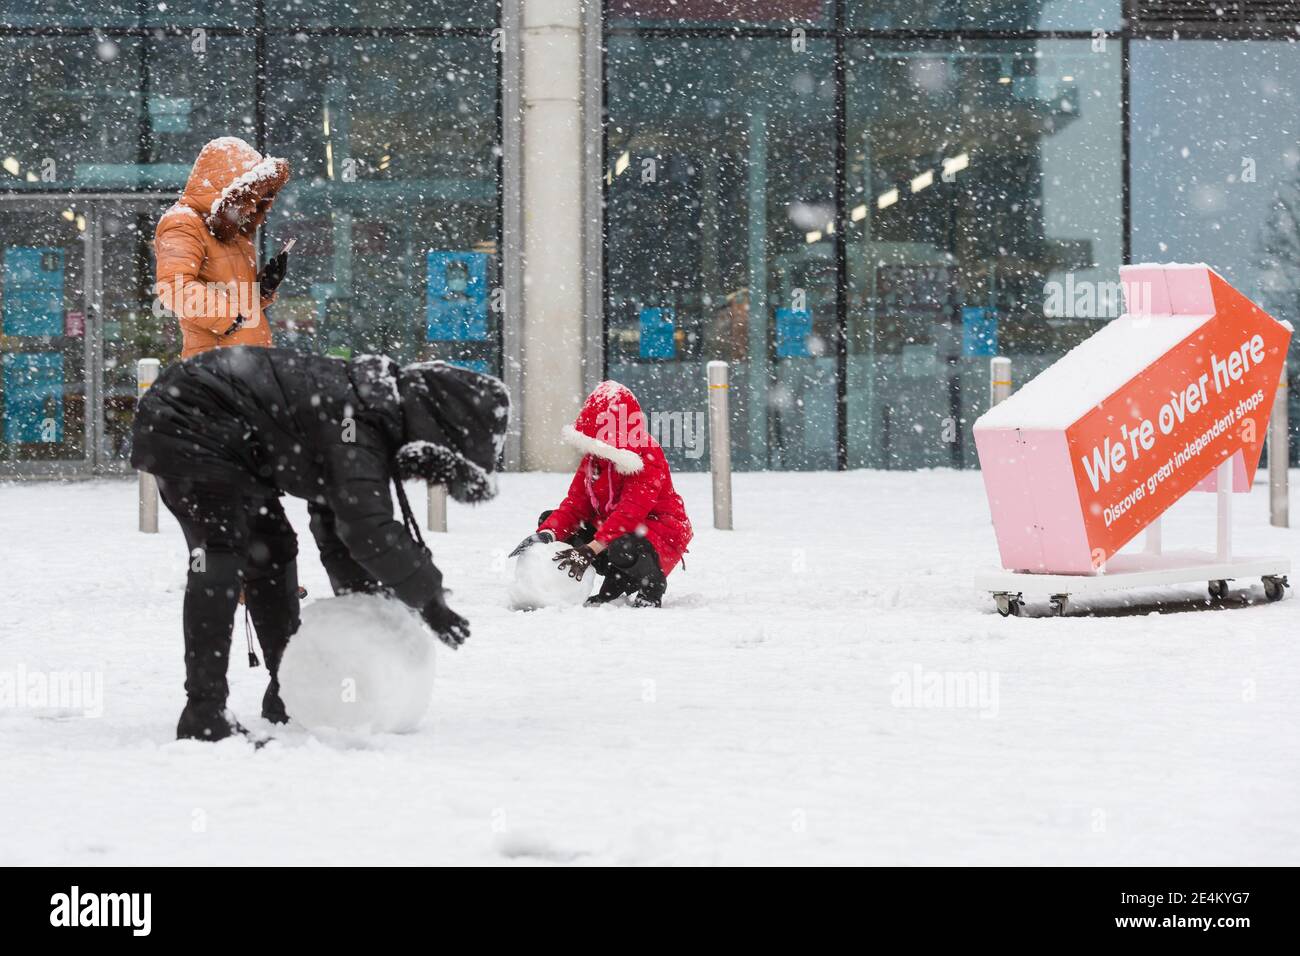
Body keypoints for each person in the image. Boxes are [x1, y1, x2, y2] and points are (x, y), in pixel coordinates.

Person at [131, 347, 509, 741]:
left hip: (221, 430)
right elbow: (366, 528)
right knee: (219, 553)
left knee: (271, 548)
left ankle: (287, 690)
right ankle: (203, 713)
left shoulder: (368, 411)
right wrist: (428, 599)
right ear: (438, 435)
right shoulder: (359, 422)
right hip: (191, 421)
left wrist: (368, 606)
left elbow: (338, 523)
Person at [509, 381, 691, 607]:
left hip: (657, 534)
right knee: (553, 521)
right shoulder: (595, 459)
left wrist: (590, 549)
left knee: (622, 545)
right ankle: (581, 584)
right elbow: (575, 506)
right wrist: (546, 534)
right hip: (613, 531)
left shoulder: (645, 458)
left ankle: (651, 588)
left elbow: (629, 514)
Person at [154, 136, 291, 359]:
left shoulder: (234, 232)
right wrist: (229, 318)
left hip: (245, 360)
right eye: (251, 197)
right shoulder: (183, 222)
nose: (254, 206)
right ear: (230, 187)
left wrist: (263, 288)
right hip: (217, 362)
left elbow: (236, 298)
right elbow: (173, 287)